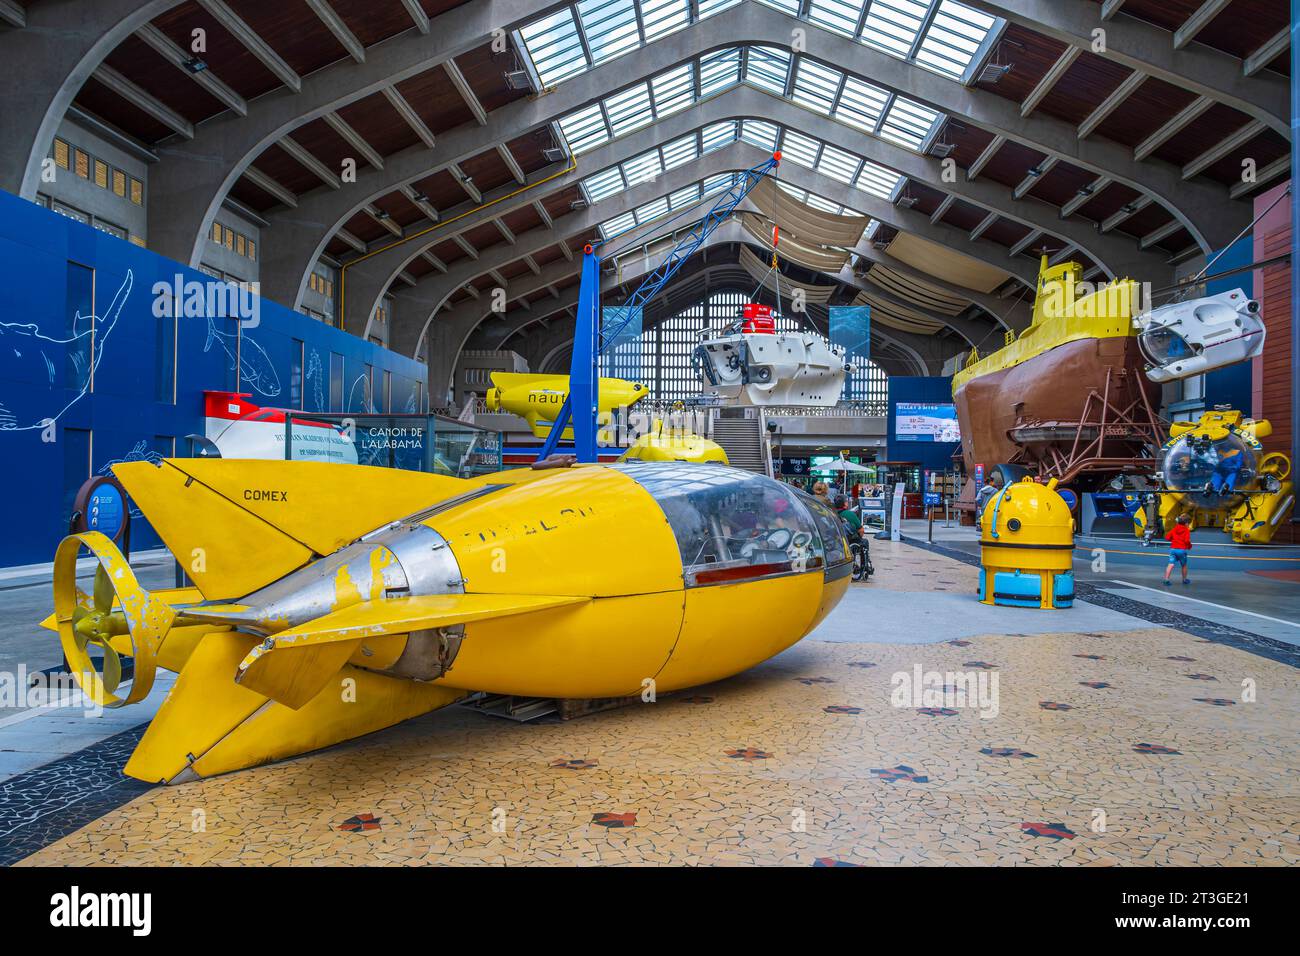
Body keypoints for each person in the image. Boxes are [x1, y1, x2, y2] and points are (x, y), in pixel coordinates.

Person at [1163, 514, 1192, 586]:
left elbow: (1167, 537)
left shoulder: (1174, 529)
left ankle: (1166, 579)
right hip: (1181, 550)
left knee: (1170, 564)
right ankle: (1184, 580)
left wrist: (1173, 539)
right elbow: (1187, 541)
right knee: (1184, 565)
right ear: (1186, 523)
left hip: (1173, 549)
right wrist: (1189, 546)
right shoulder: (1186, 530)